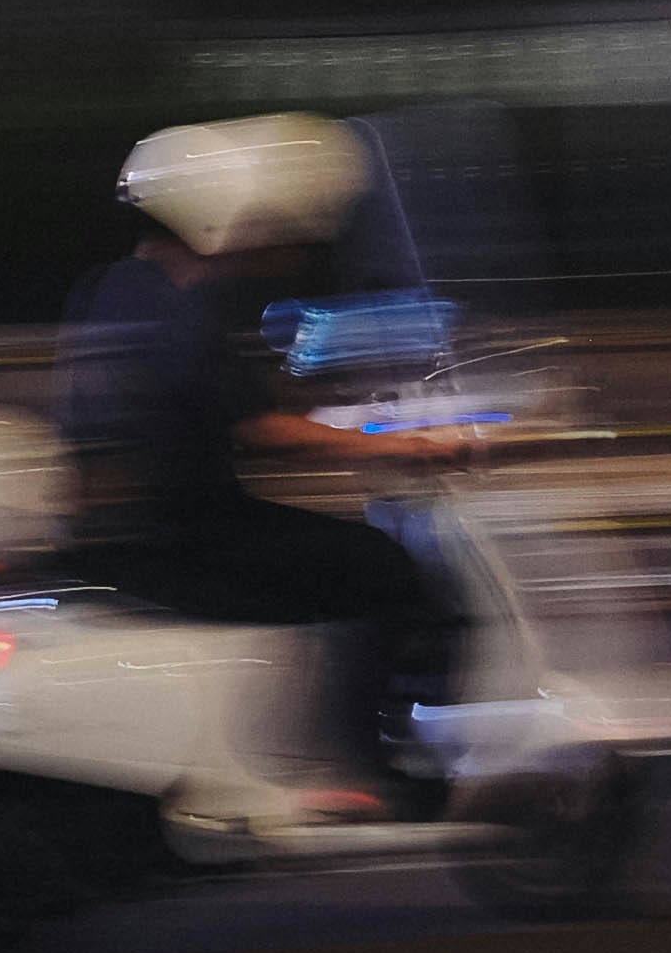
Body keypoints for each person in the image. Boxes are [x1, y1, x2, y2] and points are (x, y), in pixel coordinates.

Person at [64, 116, 465, 812]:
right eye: (268, 227)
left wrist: (325, 403)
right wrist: (403, 446)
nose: (279, 246)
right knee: (381, 568)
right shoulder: (175, 309)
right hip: (182, 533)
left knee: (326, 556)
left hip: (128, 528)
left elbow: (215, 401)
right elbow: (262, 429)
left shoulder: (122, 288)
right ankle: (361, 763)